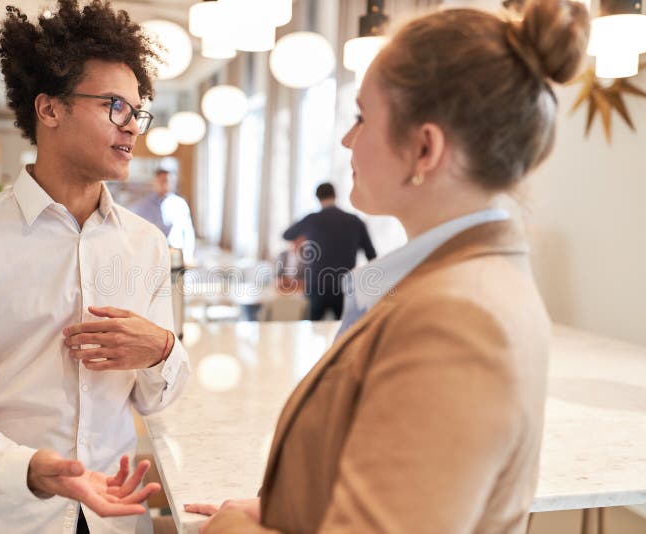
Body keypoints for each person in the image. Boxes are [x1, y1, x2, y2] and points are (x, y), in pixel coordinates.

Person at [185, 0, 589, 532]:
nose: (348, 139)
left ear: (425, 149)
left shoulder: (459, 321)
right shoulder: (453, 286)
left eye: (361, 117)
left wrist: (227, 530)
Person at [0, 2, 191, 533]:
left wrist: (161, 350)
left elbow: (157, 399)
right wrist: (34, 470)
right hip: (10, 514)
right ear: (50, 109)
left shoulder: (146, 245)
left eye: (137, 110)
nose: (132, 126)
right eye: (114, 106)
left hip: (115, 514)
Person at [281, 182, 376, 320]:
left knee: (311, 329)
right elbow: (371, 255)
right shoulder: (355, 221)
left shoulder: (311, 219)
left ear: (317, 198)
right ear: (335, 195)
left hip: (316, 286)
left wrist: (305, 234)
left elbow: (287, 235)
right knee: (345, 331)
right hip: (345, 286)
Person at [133, 168, 196, 264]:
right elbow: (137, 232)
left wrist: (188, 255)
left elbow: (188, 232)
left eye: (168, 181)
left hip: (176, 255)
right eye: (162, 181)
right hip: (151, 255)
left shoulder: (180, 204)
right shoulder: (143, 205)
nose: (165, 184)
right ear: (154, 182)